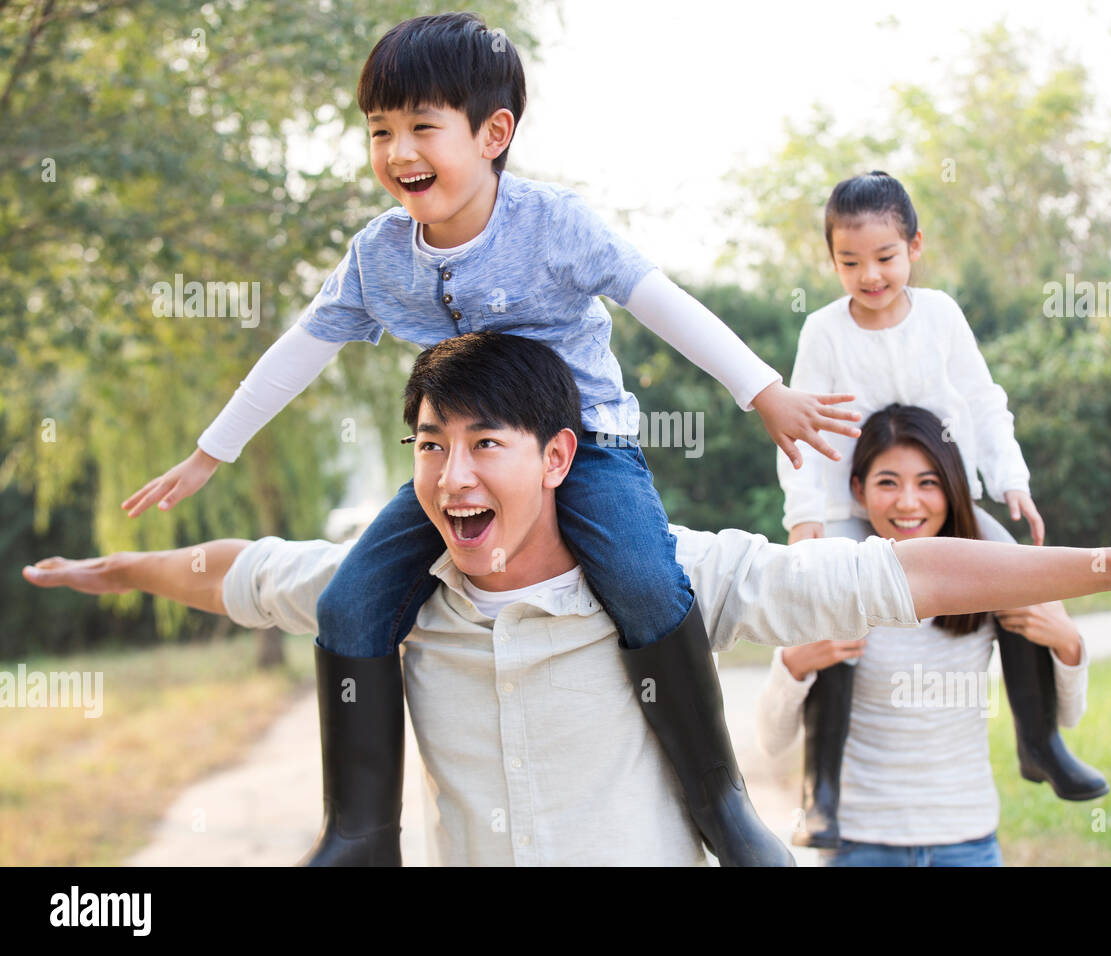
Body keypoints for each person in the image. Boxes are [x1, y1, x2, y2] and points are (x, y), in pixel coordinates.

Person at [26, 333, 1111, 866]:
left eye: (484, 444)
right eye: (427, 446)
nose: (452, 474)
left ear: (560, 455)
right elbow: (223, 567)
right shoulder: (390, 587)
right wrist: (108, 570)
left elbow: (911, 570)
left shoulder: (678, 577)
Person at [114, 13, 862, 867]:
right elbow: (302, 347)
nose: (398, 151)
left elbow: (656, 297)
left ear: (493, 133)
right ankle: (359, 834)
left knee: (649, 582)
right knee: (350, 605)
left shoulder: (552, 224)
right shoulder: (379, 257)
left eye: (422, 127)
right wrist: (215, 448)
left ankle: (722, 808)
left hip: (585, 447)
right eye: (380, 131)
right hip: (473, 458)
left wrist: (762, 389)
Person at [777, 172, 1104, 847]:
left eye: (885, 257)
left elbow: (983, 399)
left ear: (915, 246)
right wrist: (804, 516)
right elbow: (800, 425)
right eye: (850, 262)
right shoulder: (823, 331)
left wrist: (1009, 476)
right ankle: (823, 792)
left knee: (1018, 575)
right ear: (830, 260)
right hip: (852, 503)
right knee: (838, 603)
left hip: (943, 496)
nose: (869, 275)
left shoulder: (941, 315)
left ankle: (1039, 740)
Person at [760, 403, 1101, 866]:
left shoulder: (984, 580)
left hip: (966, 839)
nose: (907, 502)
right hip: (859, 845)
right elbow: (771, 739)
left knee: (1025, 584)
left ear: (951, 488)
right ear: (857, 490)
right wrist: (794, 663)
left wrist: (1068, 642)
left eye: (928, 483)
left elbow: (1072, 715)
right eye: (887, 483)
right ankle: (820, 797)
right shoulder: (837, 583)